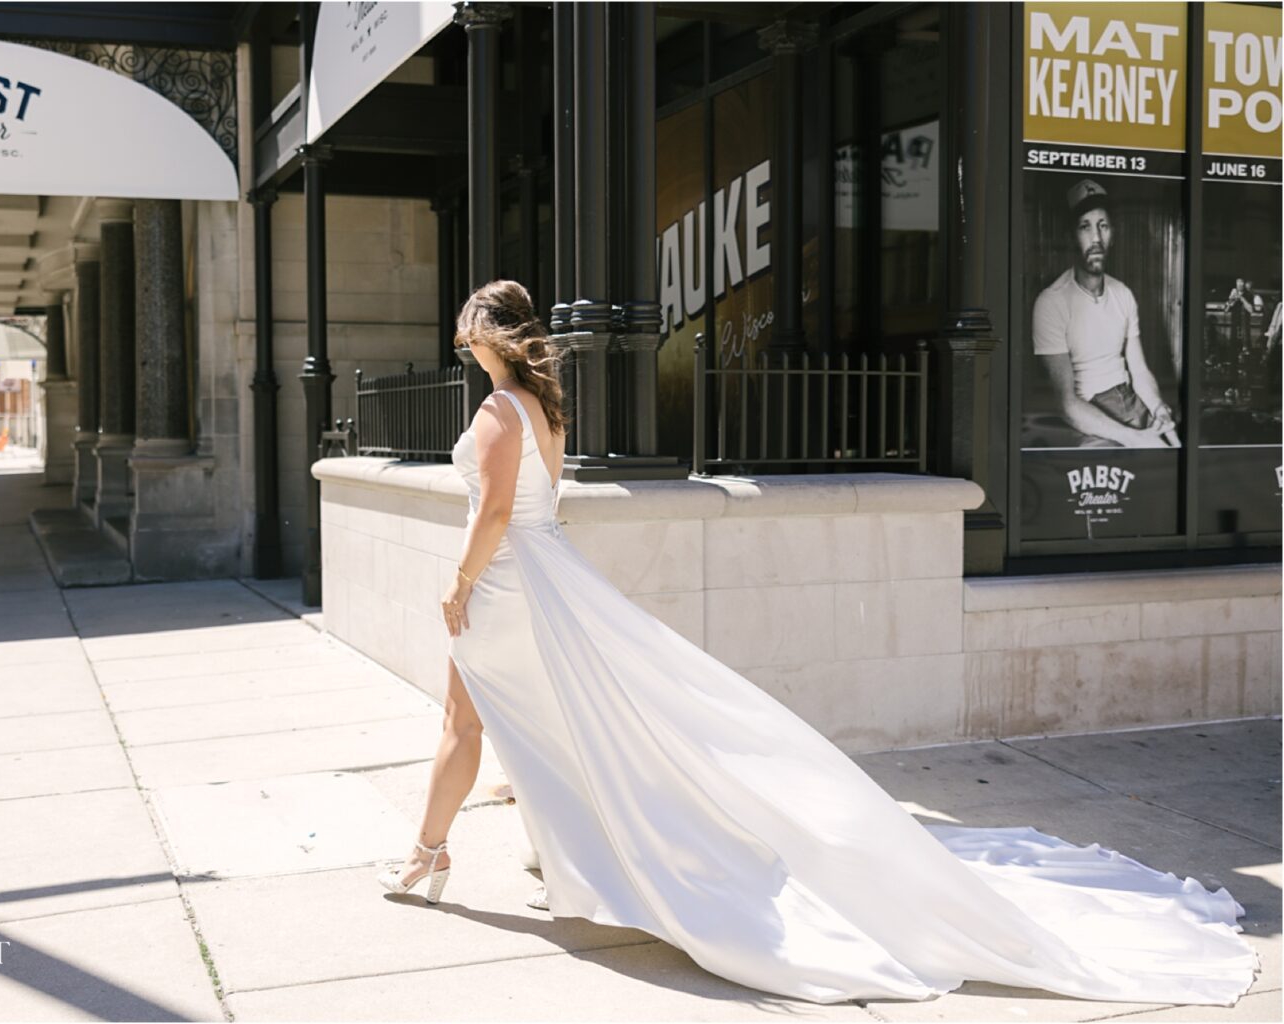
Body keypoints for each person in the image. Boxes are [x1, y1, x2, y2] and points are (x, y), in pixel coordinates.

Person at [376, 280, 1259, 1007]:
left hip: (508, 580)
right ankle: (491, 848)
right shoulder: (545, 408)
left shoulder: (499, 411)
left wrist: (456, 585)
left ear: (488, 338)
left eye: (465, 338)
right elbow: (541, 505)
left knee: (471, 720)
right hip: (549, 572)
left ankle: (431, 852)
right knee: (538, 718)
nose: (463, 350)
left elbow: (494, 512)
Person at [1031, 179, 1178, 448]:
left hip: (1132, 402)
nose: (1096, 238)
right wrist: (1136, 439)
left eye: (1103, 226)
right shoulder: (1051, 302)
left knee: (1179, 457)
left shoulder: (1122, 293)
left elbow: (1140, 371)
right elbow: (1068, 405)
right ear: (1071, 235)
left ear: (1112, 234)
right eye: (1085, 227)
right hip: (1090, 416)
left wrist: (1158, 408)